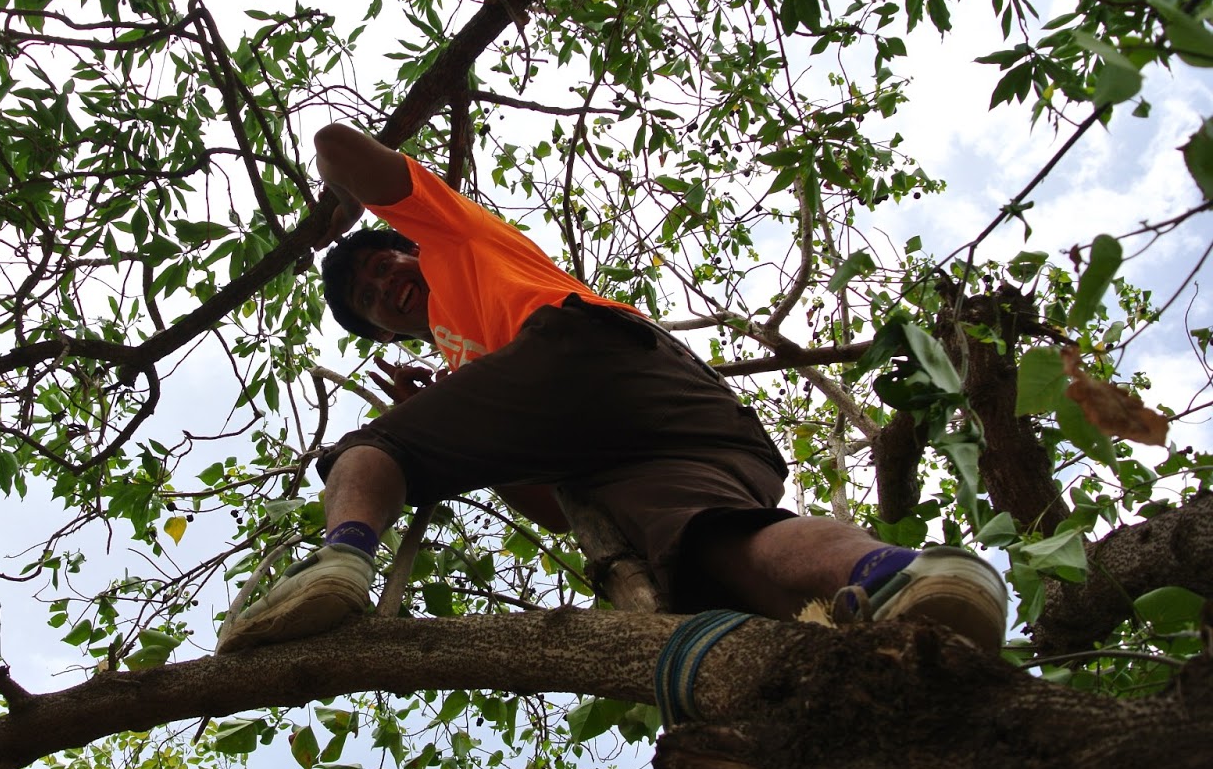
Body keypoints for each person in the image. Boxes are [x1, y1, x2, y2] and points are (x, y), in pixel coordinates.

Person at [216, 123, 1006, 654]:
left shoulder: (452, 236)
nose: (385, 280)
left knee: (371, 448)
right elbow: (557, 506)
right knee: (725, 544)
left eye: (387, 261)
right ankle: (900, 574)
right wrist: (455, 416)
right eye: (366, 295)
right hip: (686, 419)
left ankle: (338, 563)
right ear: (383, 333)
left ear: (412, 246)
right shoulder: (471, 365)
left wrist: (336, 210)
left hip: (583, 345)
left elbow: (334, 144)